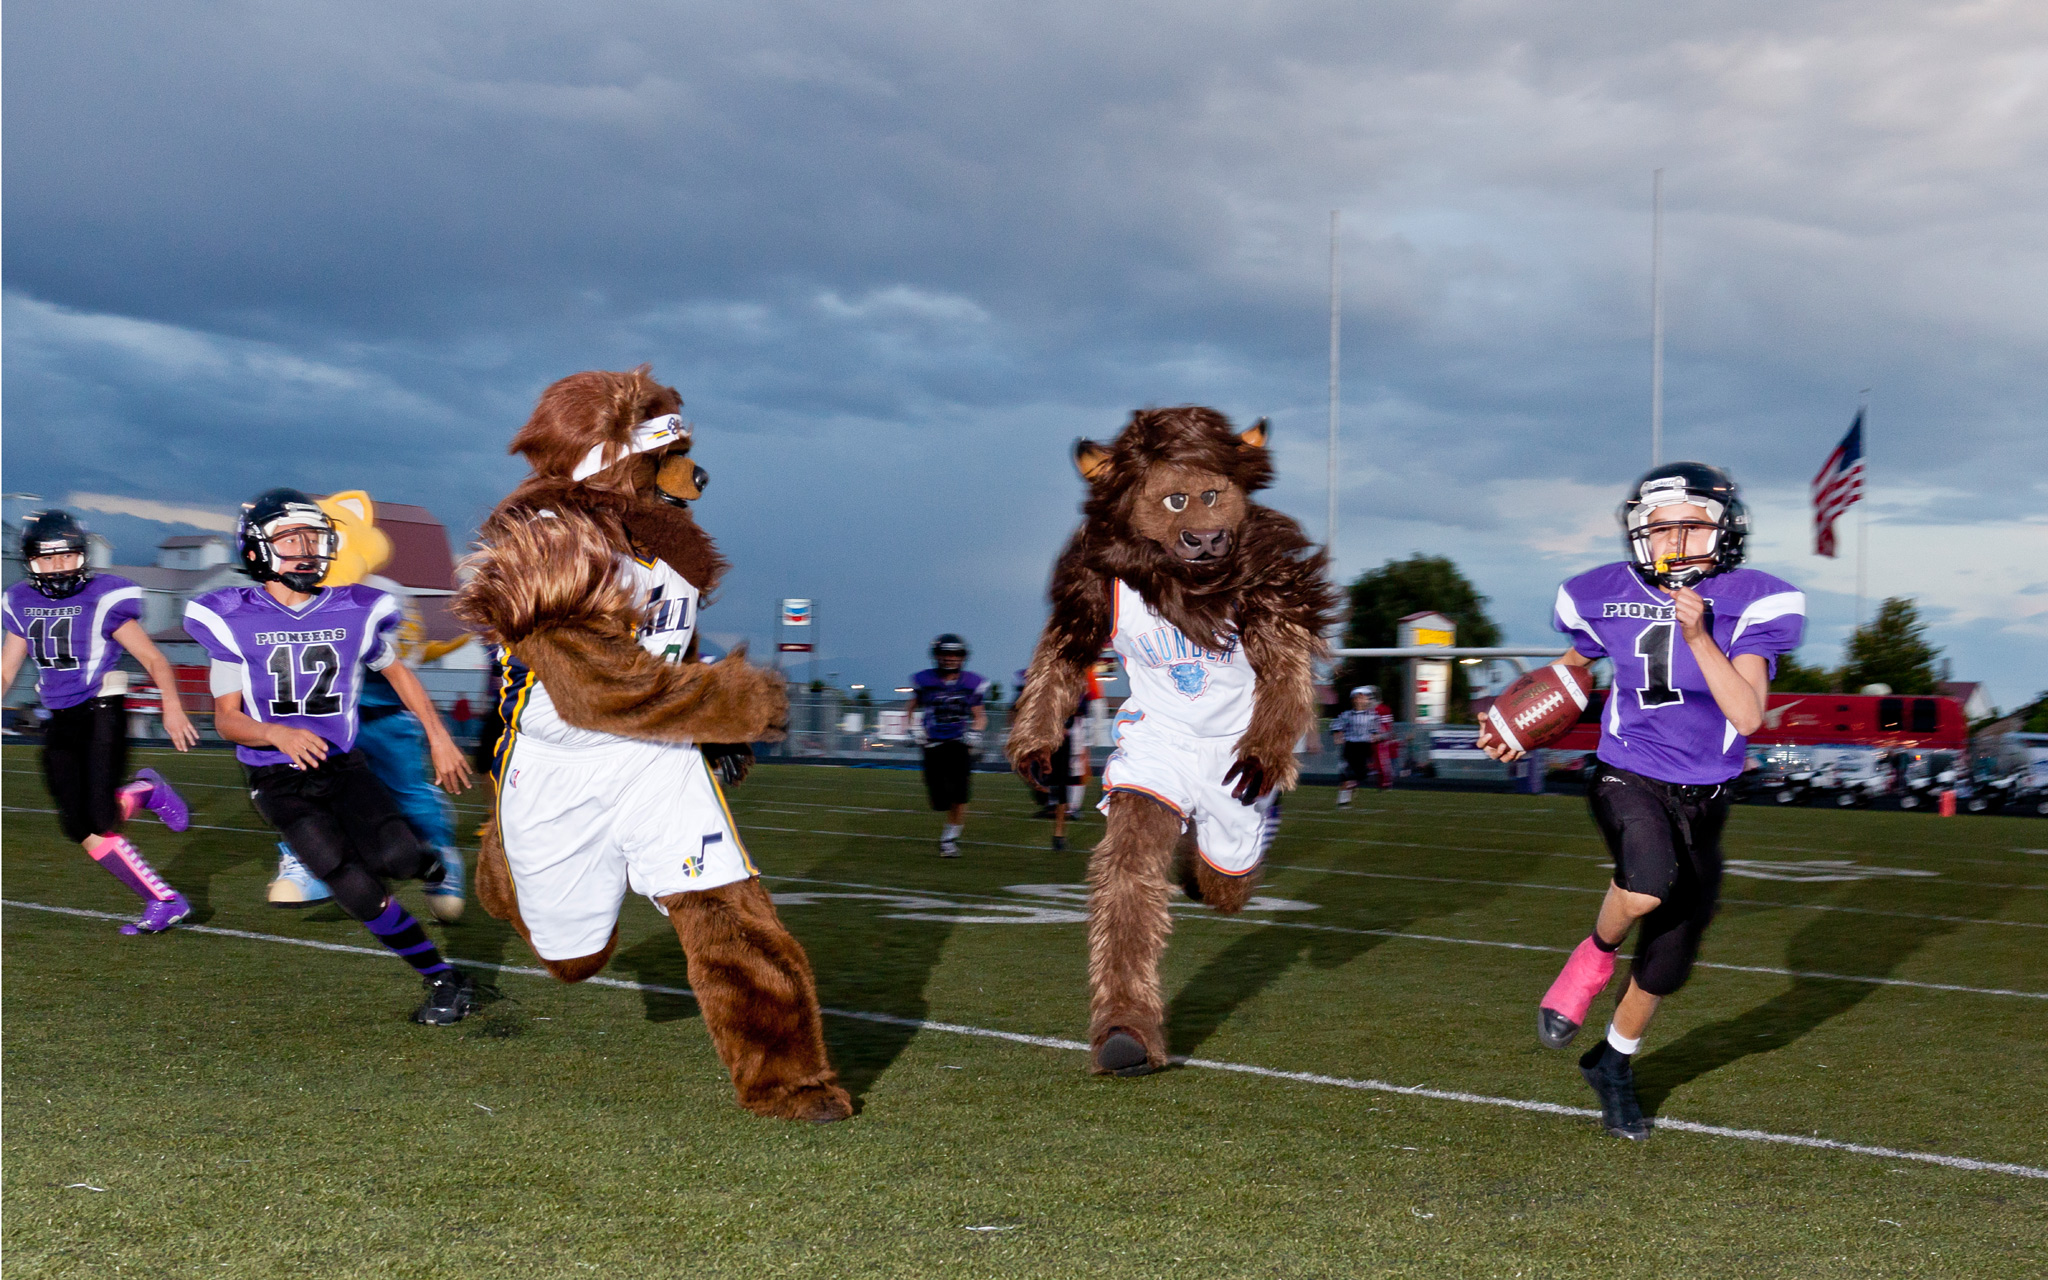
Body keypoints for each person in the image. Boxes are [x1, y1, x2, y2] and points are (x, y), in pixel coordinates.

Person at [1480, 462, 1803, 1140]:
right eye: (1659, 528)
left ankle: (1614, 1066)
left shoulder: (1753, 601)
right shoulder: (1603, 592)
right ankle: (1592, 955)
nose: (1673, 541)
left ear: (1723, 530)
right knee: (1648, 884)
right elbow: (1571, 671)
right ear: (1639, 533)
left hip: (1706, 796)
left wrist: (1698, 637)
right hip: (1627, 773)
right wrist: (1514, 725)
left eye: (1689, 525)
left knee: (1668, 961)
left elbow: (1746, 716)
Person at [185, 489, 479, 1025]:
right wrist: (275, 734)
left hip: (342, 766)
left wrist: (437, 734)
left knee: (398, 861)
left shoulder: (352, 608)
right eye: (290, 538)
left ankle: (429, 861)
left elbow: (397, 672)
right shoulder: (231, 617)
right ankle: (442, 977)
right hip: (276, 779)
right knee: (352, 884)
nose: (305, 549)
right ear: (256, 550)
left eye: (311, 537)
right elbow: (226, 717)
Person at [2, 510, 200, 934]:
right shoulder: (19, 600)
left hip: (101, 710)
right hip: (59, 719)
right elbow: (5, 672)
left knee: (100, 818)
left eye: (66, 557)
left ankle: (162, 886)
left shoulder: (104, 596)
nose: (57, 567)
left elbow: (152, 658)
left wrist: (173, 707)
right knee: (78, 826)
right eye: (47, 559)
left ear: (82, 556)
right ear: (31, 562)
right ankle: (164, 893)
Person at [907, 634, 988, 857]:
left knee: (961, 794)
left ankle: (949, 839)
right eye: (945, 654)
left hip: (958, 743)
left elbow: (980, 716)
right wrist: (913, 728)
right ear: (936, 656)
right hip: (932, 743)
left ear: (963, 657)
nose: (950, 659)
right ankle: (948, 830)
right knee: (939, 800)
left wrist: (975, 733)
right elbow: (910, 708)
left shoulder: (970, 683)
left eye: (955, 654)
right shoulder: (925, 681)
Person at [1046, 672, 1099, 850]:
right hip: (1051, 727)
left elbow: (1083, 704)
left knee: (1066, 778)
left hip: (1070, 727)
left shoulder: (1081, 677)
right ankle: (1057, 813)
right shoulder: (1052, 674)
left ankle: (1059, 832)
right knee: (1052, 776)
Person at [1330, 685, 1393, 806]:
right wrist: (1337, 736)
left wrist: (1377, 737)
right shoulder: (1347, 715)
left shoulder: (1373, 716)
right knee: (1347, 774)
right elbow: (1336, 726)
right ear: (1353, 699)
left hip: (1364, 747)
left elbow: (1381, 732)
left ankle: (1350, 788)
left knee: (1361, 774)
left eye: (1364, 698)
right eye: (1358, 698)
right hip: (1350, 746)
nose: (1361, 700)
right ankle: (1343, 801)